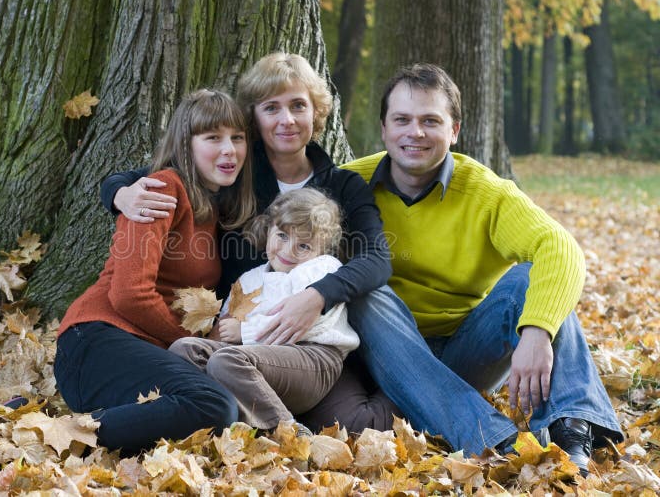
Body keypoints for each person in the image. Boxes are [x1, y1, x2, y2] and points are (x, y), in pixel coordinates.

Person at [331, 63, 622, 476]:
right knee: (365, 290)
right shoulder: (347, 184)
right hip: (387, 355)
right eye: (402, 120)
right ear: (383, 128)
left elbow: (560, 247)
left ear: (454, 130)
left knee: (528, 279)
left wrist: (537, 332)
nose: (415, 132)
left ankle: (571, 432)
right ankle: (496, 440)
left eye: (431, 120)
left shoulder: (484, 192)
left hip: (466, 349)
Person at [100, 52, 399, 430]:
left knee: (356, 421)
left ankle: (402, 393)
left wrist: (317, 295)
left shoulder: (342, 186)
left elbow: (377, 259)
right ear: (254, 118)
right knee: (197, 363)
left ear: (316, 112)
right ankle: (256, 424)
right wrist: (119, 194)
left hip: (308, 340)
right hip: (239, 342)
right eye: (271, 108)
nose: (286, 120)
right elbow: (150, 173)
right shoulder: (236, 168)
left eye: (298, 106)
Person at [54, 89, 256, 455]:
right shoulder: (161, 190)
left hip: (143, 351)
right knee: (214, 405)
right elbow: (130, 293)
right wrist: (190, 341)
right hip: (97, 340)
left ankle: (91, 426)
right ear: (185, 143)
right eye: (213, 138)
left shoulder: (215, 208)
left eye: (237, 138)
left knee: (221, 407)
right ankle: (57, 436)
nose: (230, 149)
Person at [169, 188, 359, 435]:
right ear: (268, 228)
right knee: (185, 349)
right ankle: (211, 423)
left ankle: (290, 434)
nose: (289, 251)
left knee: (227, 360)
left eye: (303, 245)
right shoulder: (250, 279)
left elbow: (295, 326)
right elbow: (226, 327)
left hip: (312, 359)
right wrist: (220, 333)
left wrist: (243, 331)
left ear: (321, 249)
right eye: (282, 235)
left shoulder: (322, 269)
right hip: (252, 365)